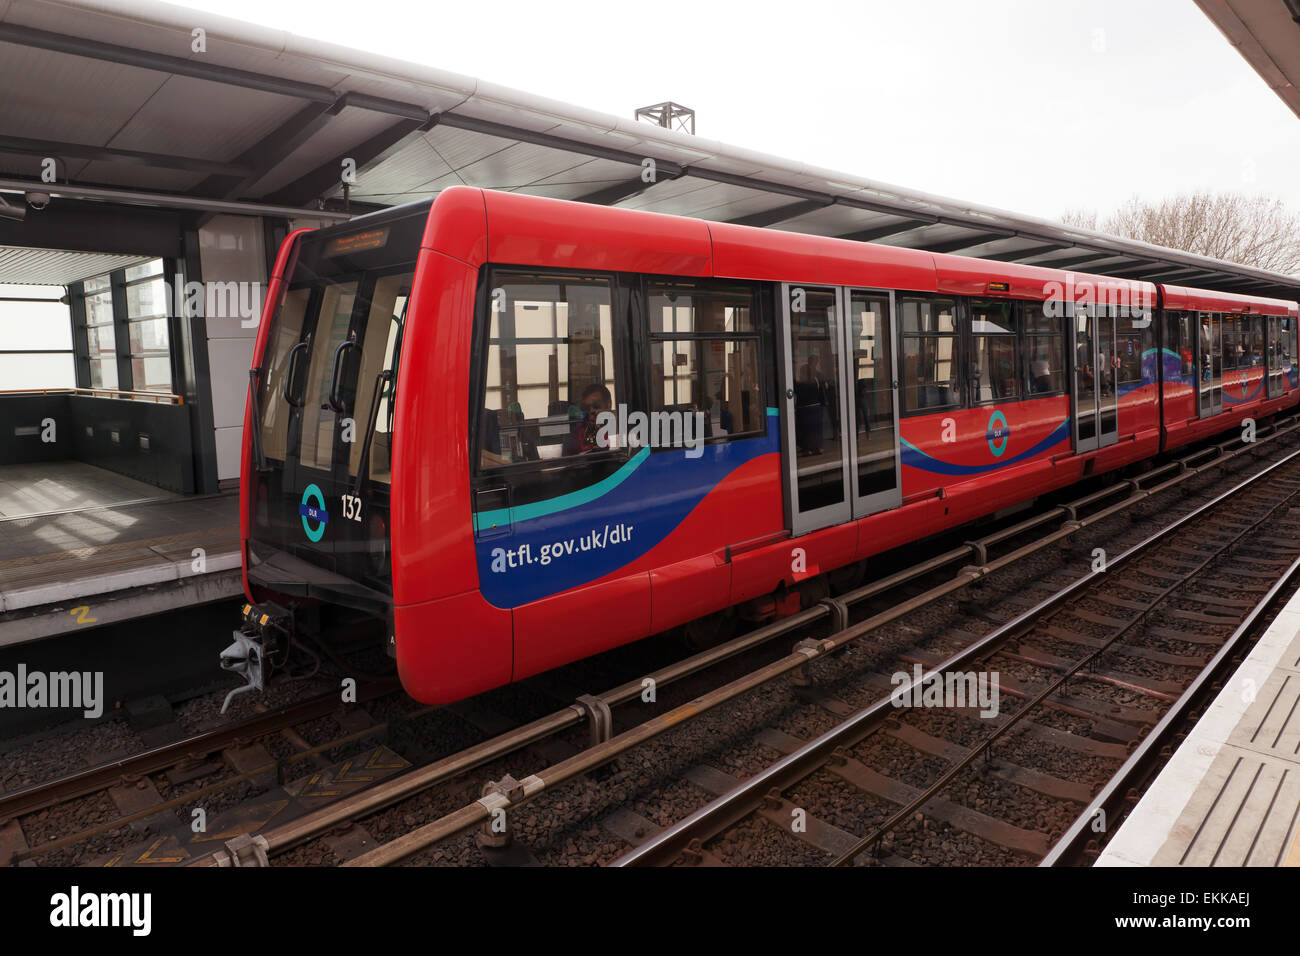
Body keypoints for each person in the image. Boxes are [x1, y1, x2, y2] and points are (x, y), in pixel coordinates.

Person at [564, 383, 612, 455]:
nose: (591, 411)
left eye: (596, 405)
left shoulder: (621, 428)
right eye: (587, 407)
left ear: (609, 404)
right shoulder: (579, 435)